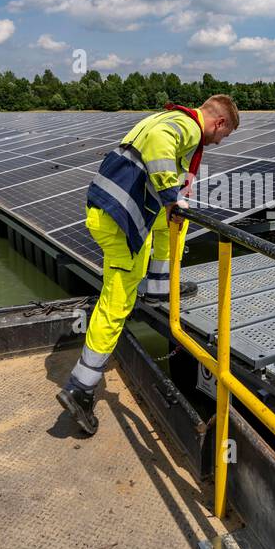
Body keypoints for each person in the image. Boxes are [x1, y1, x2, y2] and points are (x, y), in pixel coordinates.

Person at [57, 94, 240, 435]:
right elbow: (159, 144)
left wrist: (173, 207)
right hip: (119, 222)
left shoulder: (167, 117)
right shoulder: (185, 126)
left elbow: (158, 185)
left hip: (110, 211)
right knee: (117, 302)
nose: (219, 141)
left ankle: (158, 288)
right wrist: (171, 197)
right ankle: (80, 388)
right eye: (223, 135)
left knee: (172, 223)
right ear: (219, 123)